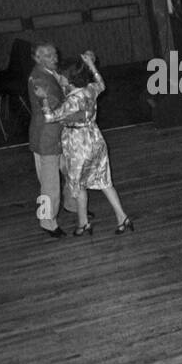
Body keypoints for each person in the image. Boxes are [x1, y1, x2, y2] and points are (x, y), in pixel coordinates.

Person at [41, 53, 132, 235]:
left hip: (78, 145)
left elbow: (50, 117)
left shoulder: (73, 100)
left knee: (78, 184)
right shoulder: (90, 89)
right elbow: (101, 83)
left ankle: (83, 223)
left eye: (61, 75)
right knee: (105, 181)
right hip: (95, 139)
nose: (59, 77)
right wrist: (91, 65)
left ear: (68, 79)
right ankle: (122, 217)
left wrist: (43, 98)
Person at [28, 41, 82, 237]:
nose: (54, 58)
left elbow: (63, 80)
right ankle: (47, 222)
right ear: (37, 58)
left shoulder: (49, 73)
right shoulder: (39, 79)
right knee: (49, 185)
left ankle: (71, 204)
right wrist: (81, 114)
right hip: (46, 138)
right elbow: (55, 108)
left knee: (70, 172)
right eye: (49, 55)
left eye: (54, 54)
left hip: (58, 135)